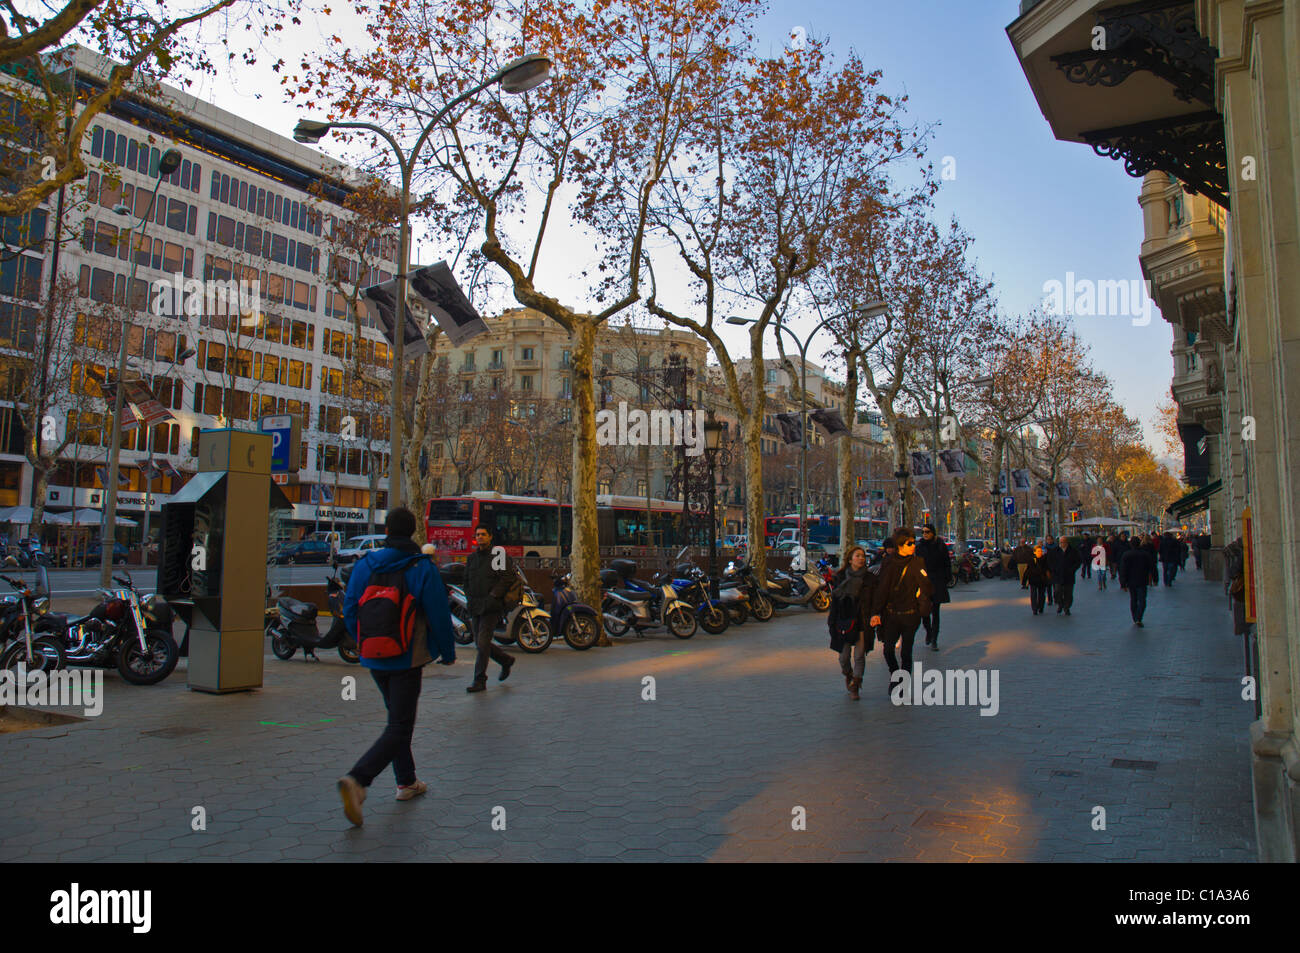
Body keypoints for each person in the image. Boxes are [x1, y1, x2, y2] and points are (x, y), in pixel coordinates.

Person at [337, 507, 456, 827]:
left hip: (374, 655)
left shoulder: (365, 565)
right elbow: (438, 613)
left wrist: (364, 640)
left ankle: (407, 782)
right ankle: (358, 779)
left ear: (387, 529)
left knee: (396, 720)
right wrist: (446, 651)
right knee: (400, 725)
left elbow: (349, 608)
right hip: (407, 656)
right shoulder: (421, 567)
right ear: (413, 531)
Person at [869, 528, 934, 696]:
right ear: (899, 545)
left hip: (911, 615)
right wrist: (876, 612)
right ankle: (895, 676)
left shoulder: (918, 562)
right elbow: (882, 589)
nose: (913, 546)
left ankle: (903, 685)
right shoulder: (888, 563)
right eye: (909, 543)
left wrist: (924, 585)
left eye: (914, 542)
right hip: (891, 615)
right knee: (888, 650)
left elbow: (927, 587)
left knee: (906, 652)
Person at [464, 524, 518, 693]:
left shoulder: (497, 555)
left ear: (490, 537)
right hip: (475, 605)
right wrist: (469, 596)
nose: (480, 537)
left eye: (483, 534)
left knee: (482, 642)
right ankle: (505, 660)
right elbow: (466, 580)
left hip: (491, 606)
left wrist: (494, 596)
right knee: (480, 642)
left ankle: (479, 680)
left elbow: (508, 578)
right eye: (478, 534)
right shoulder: (472, 558)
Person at [826, 545, 876, 700]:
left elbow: (875, 601)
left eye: (863, 556)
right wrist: (832, 622)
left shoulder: (870, 579)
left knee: (860, 656)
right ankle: (848, 674)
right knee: (844, 657)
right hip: (844, 621)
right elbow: (835, 602)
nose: (861, 558)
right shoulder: (840, 577)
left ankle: (856, 684)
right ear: (850, 559)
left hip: (862, 621)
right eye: (857, 556)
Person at [916, 524, 951, 651]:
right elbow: (916, 565)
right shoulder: (919, 547)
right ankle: (929, 631)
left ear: (933, 533)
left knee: (935, 612)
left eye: (927, 532)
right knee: (924, 611)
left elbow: (947, 563)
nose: (925, 534)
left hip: (937, 582)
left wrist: (946, 579)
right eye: (923, 532)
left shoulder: (941, 546)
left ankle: (934, 640)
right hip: (924, 582)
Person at [1119, 539, 1155, 627]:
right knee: (1142, 600)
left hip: (1131, 581)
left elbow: (1123, 570)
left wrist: (1123, 583)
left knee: (1133, 599)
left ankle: (1135, 617)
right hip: (1142, 580)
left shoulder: (1126, 554)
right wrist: (1155, 578)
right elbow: (1152, 567)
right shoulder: (1145, 554)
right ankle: (1138, 617)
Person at [1047, 535, 1081, 615]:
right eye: (1060, 542)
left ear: (1067, 542)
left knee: (1068, 593)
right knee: (1057, 591)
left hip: (1069, 575)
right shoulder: (1054, 551)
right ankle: (1060, 604)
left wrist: (1072, 570)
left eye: (1063, 542)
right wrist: (1053, 570)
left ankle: (1066, 607)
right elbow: (1050, 561)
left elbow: (1078, 562)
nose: (1062, 544)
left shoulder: (1073, 551)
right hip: (1057, 575)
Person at [1025, 543, 1051, 615]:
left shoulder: (1044, 559)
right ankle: (1034, 609)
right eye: (1038, 551)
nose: (1040, 552)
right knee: (1033, 594)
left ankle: (1041, 607)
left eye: (1041, 551)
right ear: (1035, 552)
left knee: (1042, 594)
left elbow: (1048, 568)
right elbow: (1028, 570)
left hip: (1042, 579)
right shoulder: (1031, 560)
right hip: (1033, 579)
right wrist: (1026, 581)